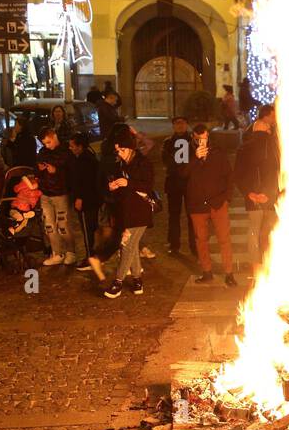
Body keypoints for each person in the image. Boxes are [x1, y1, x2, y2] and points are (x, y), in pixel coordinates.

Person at [93, 125, 154, 298]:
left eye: (121, 150)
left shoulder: (143, 162)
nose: (118, 153)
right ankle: (137, 280)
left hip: (141, 212)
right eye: (117, 150)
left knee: (126, 245)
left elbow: (147, 186)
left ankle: (118, 282)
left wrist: (128, 183)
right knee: (132, 246)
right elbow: (123, 188)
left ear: (130, 148)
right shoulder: (122, 163)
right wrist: (113, 187)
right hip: (127, 211)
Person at [186, 123, 236, 285]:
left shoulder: (218, 152)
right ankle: (207, 271)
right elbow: (180, 173)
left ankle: (229, 273)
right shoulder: (184, 151)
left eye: (205, 138)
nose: (202, 141)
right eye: (199, 138)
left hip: (217, 202)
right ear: (193, 137)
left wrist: (226, 197)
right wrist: (195, 158)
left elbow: (229, 175)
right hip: (197, 204)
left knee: (224, 238)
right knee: (201, 239)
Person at [234, 104, 280, 276]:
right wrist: (268, 194)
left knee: (253, 231)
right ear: (266, 129)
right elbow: (277, 172)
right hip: (269, 197)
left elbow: (238, 174)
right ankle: (268, 264)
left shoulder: (245, 147)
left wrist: (250, 193)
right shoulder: (275, 147)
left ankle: (256, 268)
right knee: (268, 231)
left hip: (254, 197)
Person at [35, 128, 81, 266]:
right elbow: (36, 168)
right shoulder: (43, 152)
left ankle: (70, 252)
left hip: (61, 194)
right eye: (44, 143)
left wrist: (57, 171)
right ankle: (57, 253)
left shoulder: (66, 152)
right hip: (45, 193)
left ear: (54, 136)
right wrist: (39, 169)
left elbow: (72, 173)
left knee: (63, 225)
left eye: (49, 142)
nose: (47, 146)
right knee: (49, 225)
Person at [161, 116, 196, 258]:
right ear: (173, 126)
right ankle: (174, 244)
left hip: (190, 183)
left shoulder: (193, 141)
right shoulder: (168, 142)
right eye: (177, 123)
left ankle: (194, 245)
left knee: (192, 215)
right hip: (174, 183)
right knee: (173, 216)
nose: (180, 126)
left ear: (187, 124)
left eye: (183, 123)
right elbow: (166, 161)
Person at [67, 133, 102, 270]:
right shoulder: (88, 157)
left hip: (87, 201)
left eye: (72, 146)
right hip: (93, 200)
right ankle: (94, 256)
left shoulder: (84, 161)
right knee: (91, 228)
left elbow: (85, 182)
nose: (70, 148)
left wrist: (79, 198)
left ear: (80, 147)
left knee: (88, 230)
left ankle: (91, 258)